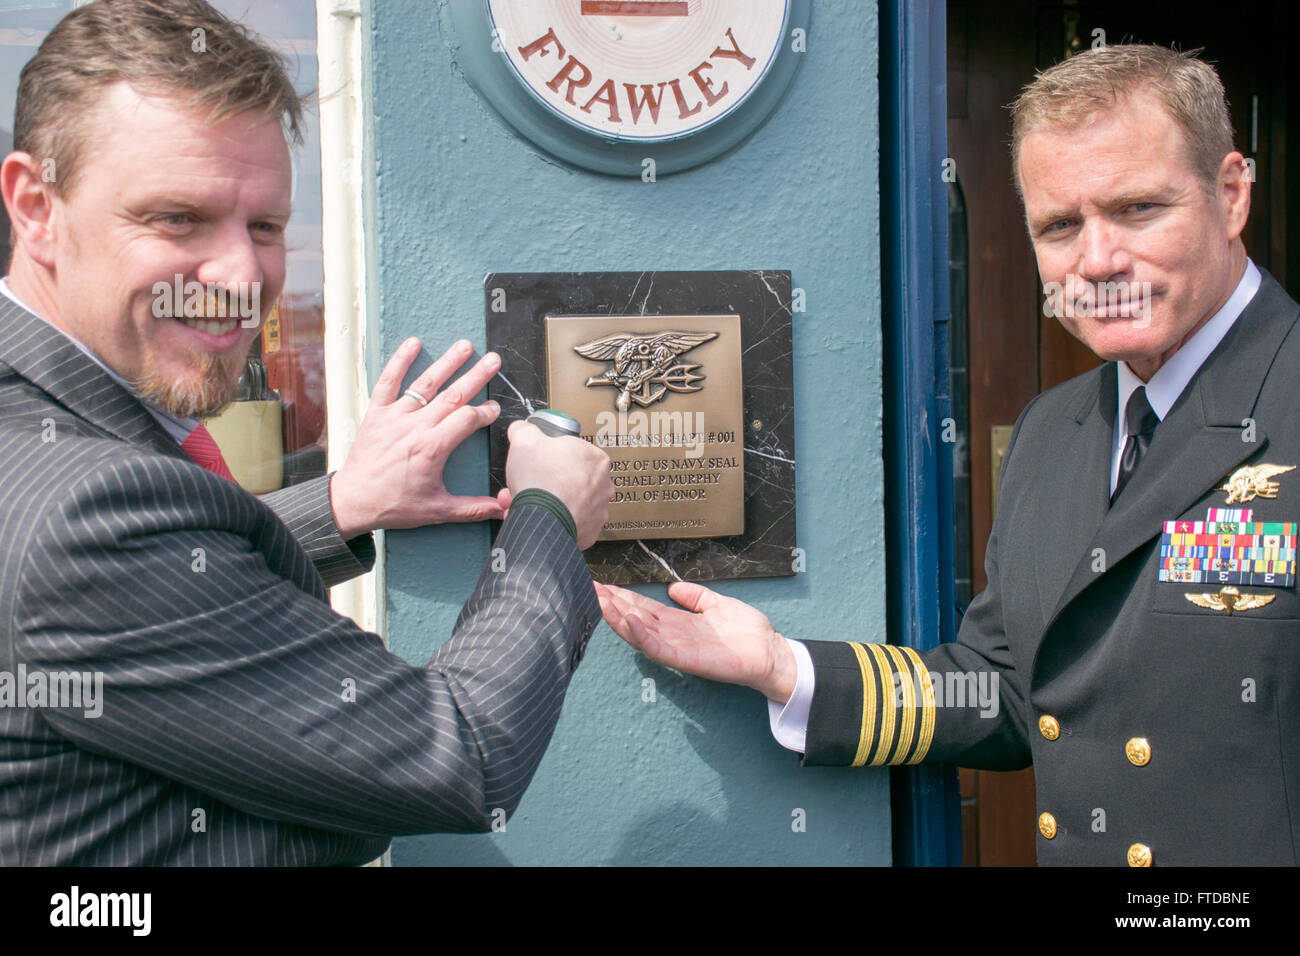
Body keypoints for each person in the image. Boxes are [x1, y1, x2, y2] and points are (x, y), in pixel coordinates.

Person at [599, 44, 1299, 866]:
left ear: (1231, 194)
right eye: (1060, 226)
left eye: (1139, 209)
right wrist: (784, 669)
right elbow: (1006, 691)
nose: (1099, 261)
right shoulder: (1055, 430)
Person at [0, 0, 612, 865]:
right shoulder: (84, 516)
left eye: (266, 227)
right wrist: (549, 515)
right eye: (177, 218)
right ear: (35, 206)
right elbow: (461, 756)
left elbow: (152, 602)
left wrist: (341, 504)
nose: (241, 277)